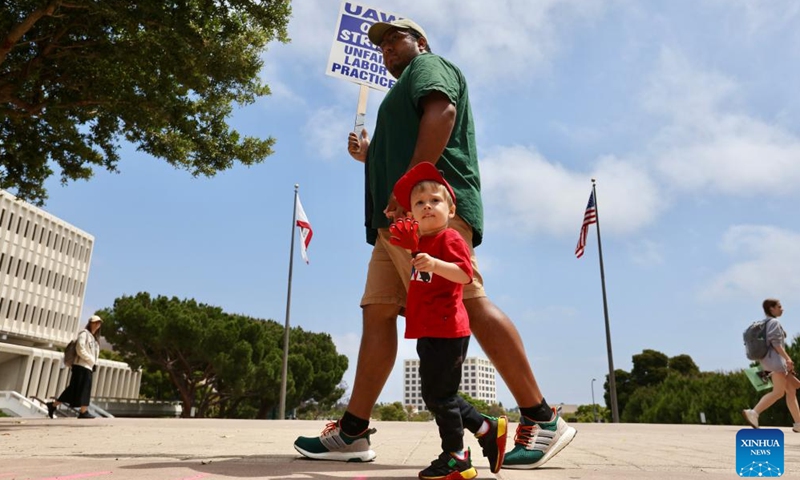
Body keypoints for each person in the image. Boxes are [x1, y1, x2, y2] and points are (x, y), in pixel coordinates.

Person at [294, 18, 575, 469]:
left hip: (430, 215)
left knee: (469, 299)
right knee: (377, 311)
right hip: (394, 225)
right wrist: (369, 153)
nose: (386, 49)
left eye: (394, 39)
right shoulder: (399, 94)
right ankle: (353, 431)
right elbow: (407, 145)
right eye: (381, 45)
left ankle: (541, 417)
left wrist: (406, 186)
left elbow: (442, 115)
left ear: (419, 42)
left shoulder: (428, 67)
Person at [394, 162, 508, 478]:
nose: (427, 206)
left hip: (447, 328)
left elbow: (464, 274)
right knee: (435, 395)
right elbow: (423, 285)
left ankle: (457, 457)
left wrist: (434, 263)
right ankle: (485, 428)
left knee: (441, 396)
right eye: (419, 202)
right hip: (428, 329)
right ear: (411, 213)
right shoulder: (421, 244)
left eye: (435, 200)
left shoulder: (450, 238)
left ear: (451, 209)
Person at [743, 299, 800, 431]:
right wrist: (788, 359)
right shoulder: (774, 323)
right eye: (779, 306)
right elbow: (776, 344)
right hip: (775, 362)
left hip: (767, 362)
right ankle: (753, 413)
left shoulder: (764, 324)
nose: (782, 309)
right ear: (771, 308)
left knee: (792, 390)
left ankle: (798, 424)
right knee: (778, 392)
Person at [47, 315, 102, 419]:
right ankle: (83, 412)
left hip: (88, 367)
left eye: (98, 323)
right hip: (81, 366)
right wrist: (91, 360)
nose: (96, 324)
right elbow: (80, 349)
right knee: (83, 389)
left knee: (74, 389)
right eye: (94, 322)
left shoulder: (95, 339)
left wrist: (94, 363)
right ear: (90, 323)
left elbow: (94, 354)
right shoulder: (84, 334)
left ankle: (53, 405)